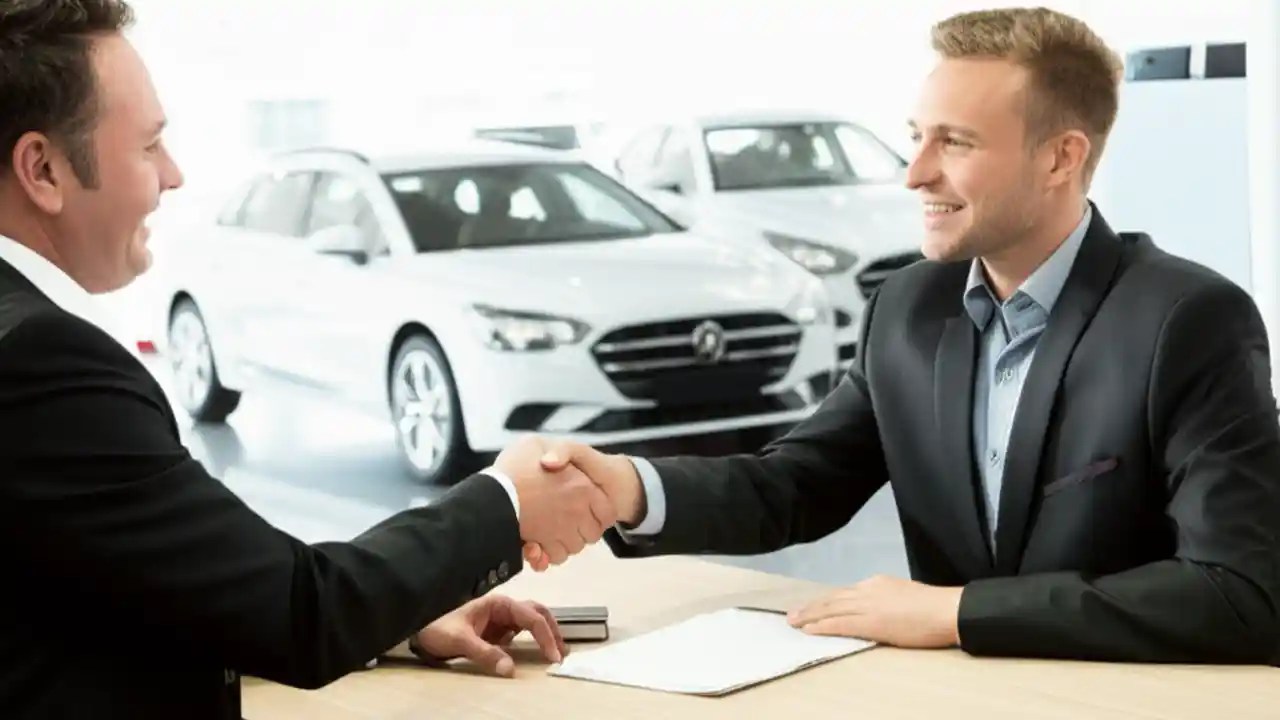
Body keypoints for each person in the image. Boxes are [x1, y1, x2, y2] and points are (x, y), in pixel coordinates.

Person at [527, 6, 1280, 664]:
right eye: (917, 136)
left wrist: (955, 613)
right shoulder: (910, 307)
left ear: (1061, 156)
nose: (914, 173)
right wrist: (629, 489)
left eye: (954, 142)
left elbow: (1241, 594)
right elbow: (796, 485)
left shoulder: (1188, 320)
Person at [0, 2, 615, 718]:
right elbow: (297, 610)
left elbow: (145, 583)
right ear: (42, 168)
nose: (174, 176)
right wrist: (509, 502)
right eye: (149, 147)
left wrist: (395, 619)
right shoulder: (42, 363)